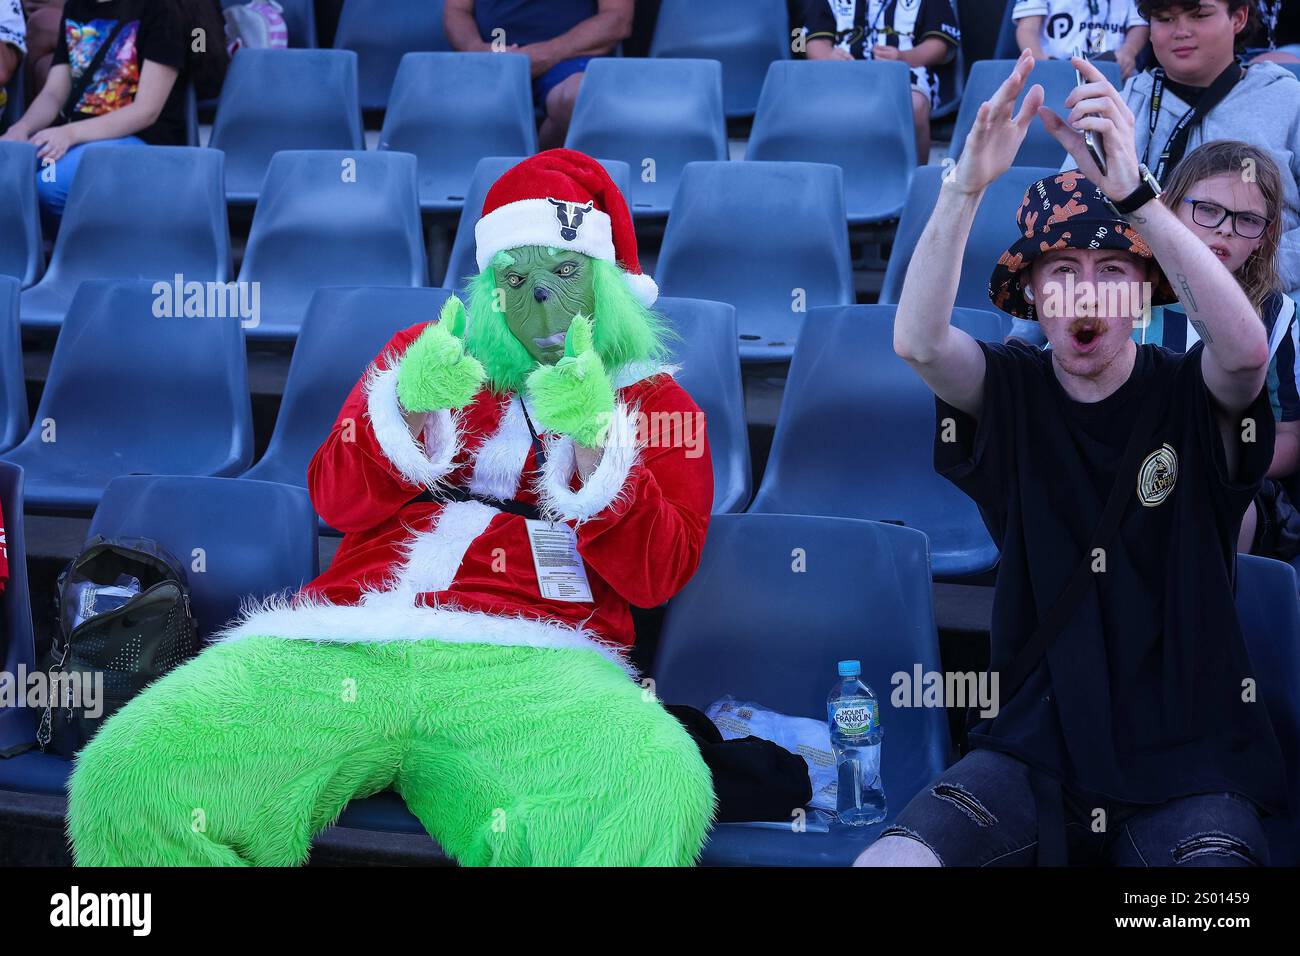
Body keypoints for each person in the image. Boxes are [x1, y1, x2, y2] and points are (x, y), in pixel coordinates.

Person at [65, 149, 718, 867]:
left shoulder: (658, 404)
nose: (541, 300)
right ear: (488, 287)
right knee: (131, 773)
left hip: (537, 665)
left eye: (565, 273)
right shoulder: (427, 351)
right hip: (349, 634)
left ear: (607, 284)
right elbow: (334, 498)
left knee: (654, 784)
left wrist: (596, 445)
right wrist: (407, 409)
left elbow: (659, 576)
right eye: (515, 276)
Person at [855, 51, 1284, 867]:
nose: (1088, 294)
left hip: (1191, 763)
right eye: (1064, 274)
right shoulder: (1010, 390)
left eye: (1114, 273)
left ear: (1144, 296)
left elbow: (1248, 351)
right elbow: (916, 340)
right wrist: (965, 185)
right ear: (1033, 299)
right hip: (1031, 752)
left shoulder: (1191, 393)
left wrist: (1138, 197)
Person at [1011, 0, 1300, 345]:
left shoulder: (1288, 99)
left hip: (1258, 303)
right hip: (1133, 313)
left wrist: (1247, 269)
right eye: (1164, 19)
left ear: (1238, 18)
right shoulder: (1117, 104)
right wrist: (1024, 335)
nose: (1180, 31)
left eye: (1200, 15)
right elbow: (1060, 223)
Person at [1142, 140, 1300, 557]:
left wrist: (1224, 465)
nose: (1225, 228)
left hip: (1222, 480)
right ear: (1167, 209)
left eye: (1247, 219)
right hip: (1120, 465)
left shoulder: (1273, 313)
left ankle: (1211, 612)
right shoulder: (1123, 291)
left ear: (1264, 238)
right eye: (1208, 210)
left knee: (1235, 506)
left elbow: (1289, 436)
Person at [0, 0, 186, 229]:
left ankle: (93, 249)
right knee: (7, 174)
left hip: (142, 142)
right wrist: (22, 128)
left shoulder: (162, 9)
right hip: (81, 139)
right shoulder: (75, 6)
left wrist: (69, 133)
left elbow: (146, 111)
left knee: (49, 183)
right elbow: (53, 94)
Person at [444, 0, 633, 151]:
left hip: (569, 58)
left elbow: (617, 18)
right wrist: (475, 48)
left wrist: (545, 54)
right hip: (489, 60)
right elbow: (456, 10)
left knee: (582, 97)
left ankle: (540, 172)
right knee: (432, 101)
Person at [804, 0, 961, 161]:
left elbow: (940, 45)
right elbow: (813, 40)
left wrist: (904, 57)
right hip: (843, 73)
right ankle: (831, 173)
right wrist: (827, 57)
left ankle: (915, 178)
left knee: (914, 105)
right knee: (814, 105)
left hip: (907, 72)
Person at [1012, 0, 1150, 80]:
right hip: (1059, 69)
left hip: (1113, 70)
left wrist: (1129, 50)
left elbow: (1141, 24)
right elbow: (1027, 29)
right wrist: (1043, 65)